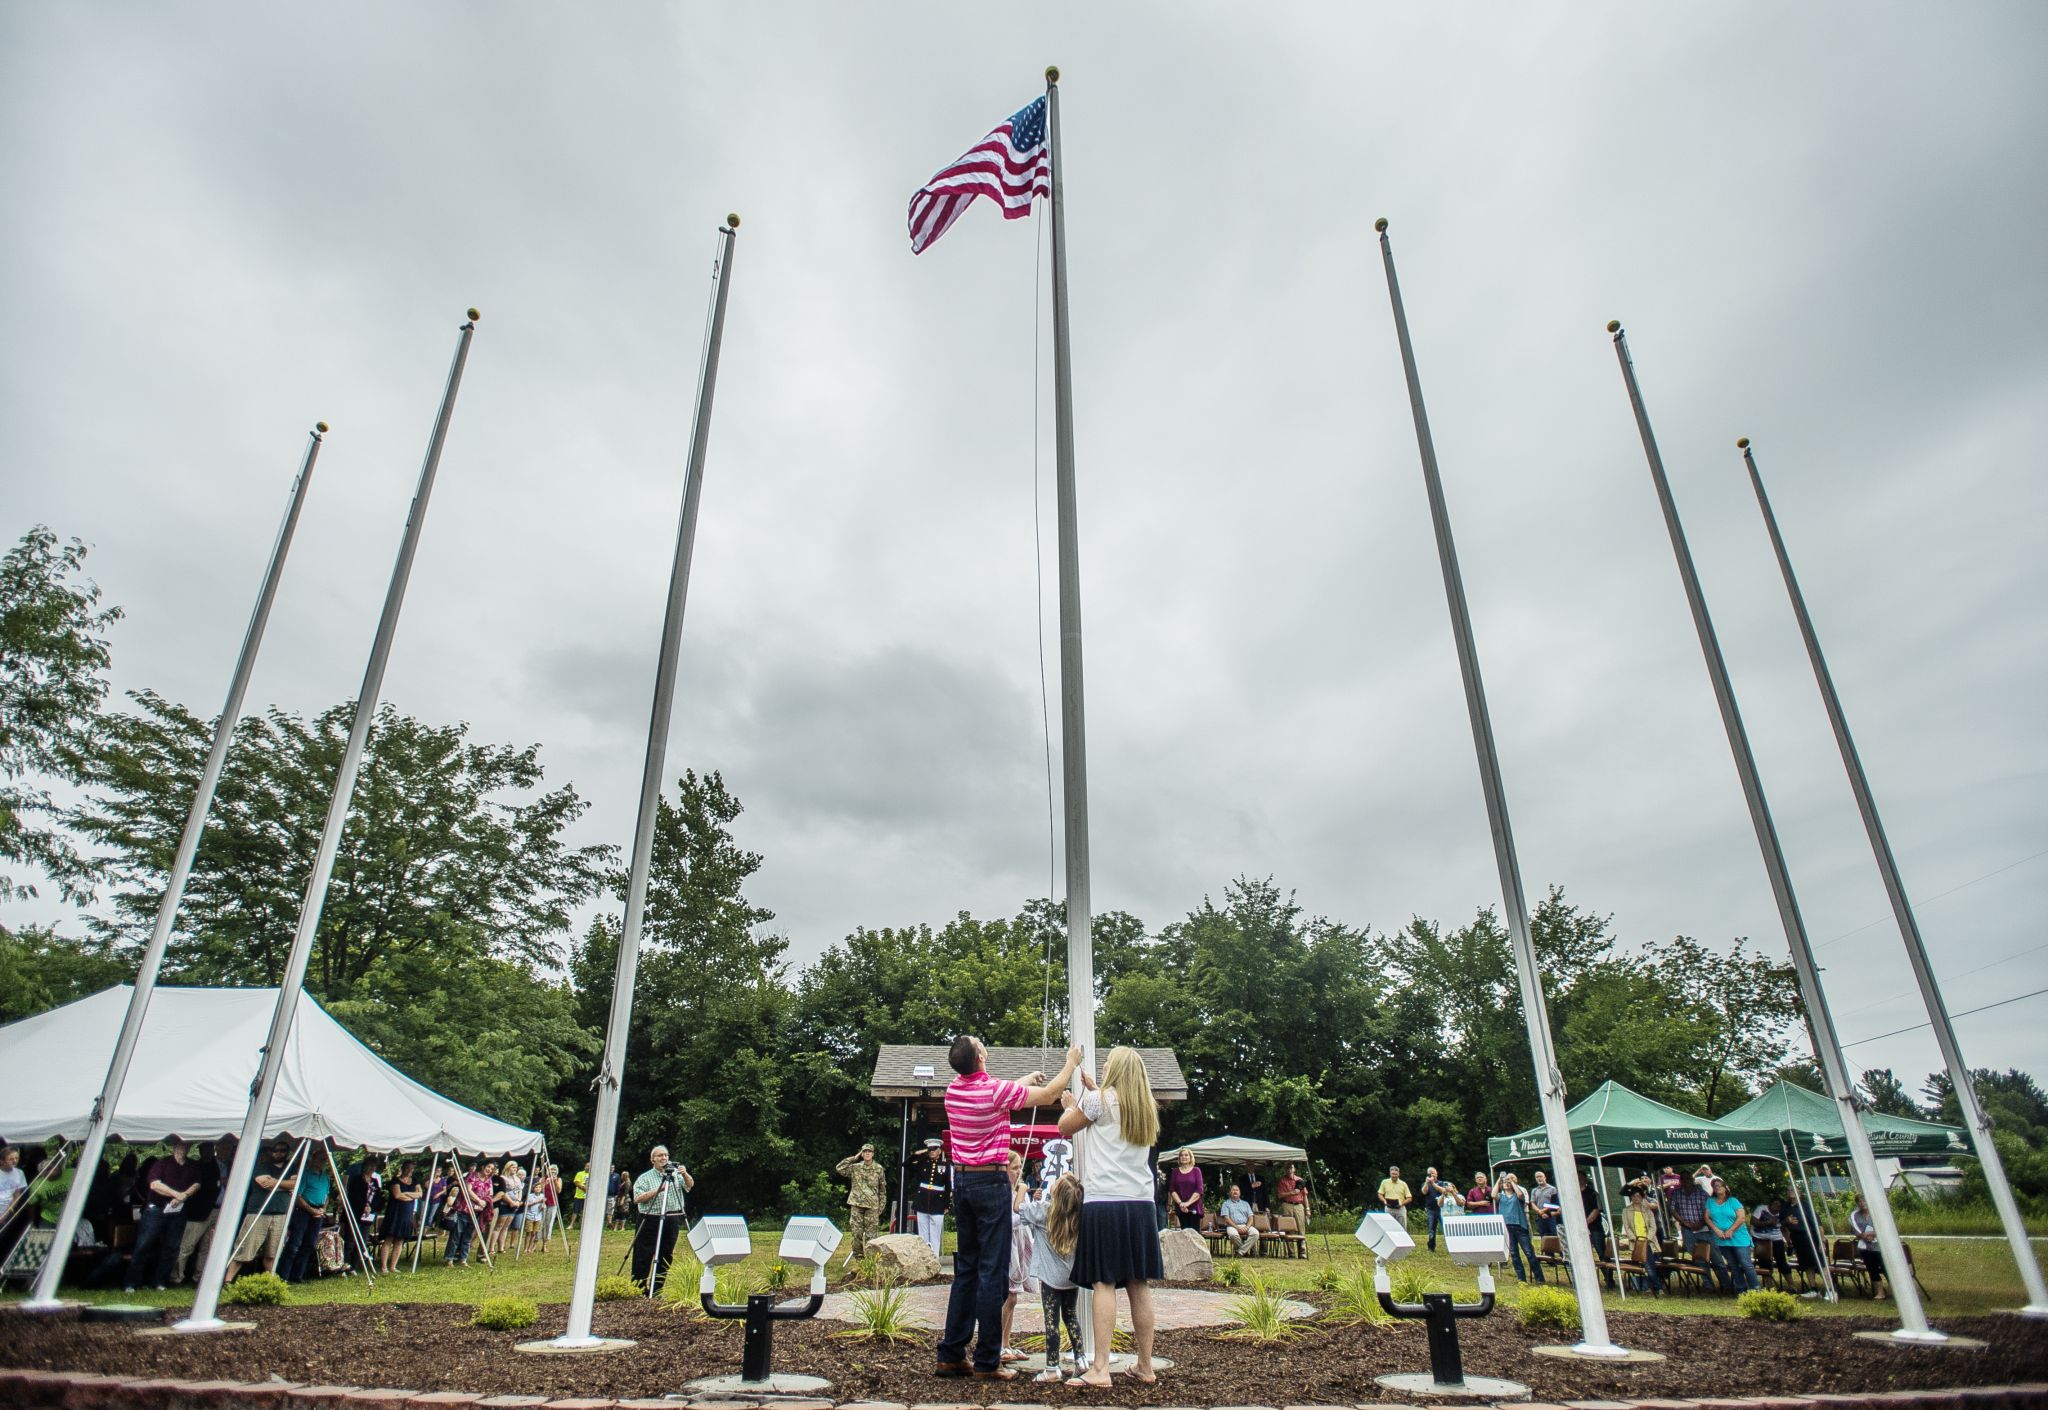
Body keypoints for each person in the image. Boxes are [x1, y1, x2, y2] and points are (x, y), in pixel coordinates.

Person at [934, 1036, 1081, 1382]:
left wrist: (1023, 1081)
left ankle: (951, 1354)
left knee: (967, 1270)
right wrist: (1070, 1063)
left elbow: (996, 1095)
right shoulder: (994, 1092)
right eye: (980, 1043)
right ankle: (987, 1360)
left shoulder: (955, 1090)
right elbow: (1047, 1097)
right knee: (993, 1272)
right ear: (982, 1056)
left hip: (964, 1183)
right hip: (991, 1184)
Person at [1060, 1045, 1163, 1390]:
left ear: (1116, 1070)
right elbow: (1110, 1118)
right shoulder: (1144, 1108)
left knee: (1103, 1282)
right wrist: (1092, 1091)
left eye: (1106, 1064)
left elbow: (1065, 1128)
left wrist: (1072, 1105)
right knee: (1138, 1283)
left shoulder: (1098, 1100)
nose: (1102, 1068)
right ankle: (1145, 1365)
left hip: (1104, 1201)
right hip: (1140, 1203)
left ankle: (1100, 1368)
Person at [1018, 1171, 1085, 1384]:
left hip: (1049, 1278)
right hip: (1071, 1277)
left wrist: (1022, 1190)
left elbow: (1017, 1207)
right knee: (1071, 1316)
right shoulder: (1078, 1212)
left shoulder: (1044, 1211)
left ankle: (1052, 1367)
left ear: (1056, 1193)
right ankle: (1081, 1359)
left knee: (1052, 1321)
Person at [125, 1137, 201, 1292]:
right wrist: (176, 1194)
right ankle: (131, 1283)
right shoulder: (161, 1164)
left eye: (186, 1145)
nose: (183, 1148)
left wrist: (184, 1196)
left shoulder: (192, 1165)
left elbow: (197, 1184)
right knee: (144, 1244)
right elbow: (154, 1184)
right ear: (174, 1146)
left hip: (177, 1212)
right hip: (156, 1210)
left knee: (172, 1247)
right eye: (180, 1145)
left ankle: (160, 1281)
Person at [225, 1139, 298, 1281]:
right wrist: (285, 1186)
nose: (279, 1153)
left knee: (272, 1253)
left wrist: (276, 1184)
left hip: (280, 1214)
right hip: (258, 1213)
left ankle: (271, 1282)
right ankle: (227, 1281)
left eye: (283, 1150)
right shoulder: (261, 1166)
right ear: (270, 1152)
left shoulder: (291, 1167)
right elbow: (266, 1184)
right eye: (276, 1150)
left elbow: (295, 1184)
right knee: (244, 1249)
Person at [631, 1144, 694, 1294]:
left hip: (671, 1217)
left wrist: (685, 1174)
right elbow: (637, 1198)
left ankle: (657, 1288)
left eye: (666, 1155)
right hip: (650, 1217)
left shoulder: (675, 1174)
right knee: (643, 1253)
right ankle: (638, 1287)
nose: (664, 1158)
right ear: (653, 1159)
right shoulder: (644, 1178)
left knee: (666, 1253)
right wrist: (659, 1189)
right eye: (660, 1155)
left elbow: (689, 1185)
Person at [172, 1140, 225, 1285]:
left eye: (209, 1149)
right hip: (198, 1212)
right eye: (204, 1150)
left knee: (206, 1247)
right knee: (187, 1246)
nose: (207, 1152)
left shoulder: (220, 1166)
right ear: (200, 1151)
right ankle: (176, 1277)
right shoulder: (196, 1167)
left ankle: (199, 1277)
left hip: (217, 1209)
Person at [277, 1146, 332, 1282]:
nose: (323, 1162)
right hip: (303, 1211)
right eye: (320, 1159)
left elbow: (327, 1195)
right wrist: (310, 1209)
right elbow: (297, 1195)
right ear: (313, 1159)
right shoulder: (305, 1174)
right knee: (294, 1244)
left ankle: (298, 1275)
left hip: (318, 1211)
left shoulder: (325, 1177)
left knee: (309, 1244)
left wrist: (323, 1209)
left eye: (325, 1160)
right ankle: (283, 1275)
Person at [835, 1142, 889, 1258]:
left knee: (872, 1236)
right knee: (856, 1234)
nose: (867, 1153)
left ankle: (871, 1261)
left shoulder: (878, 1169)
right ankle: (859, 1260)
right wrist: (854, 1158)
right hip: (857, 1204)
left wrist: (881, 1207)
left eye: (869, 1151)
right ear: (862, 1154)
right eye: (865, 1151)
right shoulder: (856, 1167)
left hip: (872, 1206)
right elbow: (840, 1168)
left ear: (873, 1154)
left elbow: (882, 1189)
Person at [1705, 1175, 1758, 1292]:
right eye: (1715, 1186)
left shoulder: (1733, 1201)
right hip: (1722, 1238)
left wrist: (1731, 1230)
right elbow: (1707, 1218)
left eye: (1720, 1186)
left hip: (1739, 1237)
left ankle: (1756, 1289)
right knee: (1733, 1265)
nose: (1718, 1188)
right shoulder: (1710, 1202)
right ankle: (1740, 1289)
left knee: (1745, 1264)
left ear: (1725, 1188)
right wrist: (1716, 1230)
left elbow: (1741, 1217)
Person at [1493, 1172, 1540, 1283]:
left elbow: (1520, 1195)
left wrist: (1512, 1182)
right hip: (1507, 1227)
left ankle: (1539, 1277)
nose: (1507, 1184)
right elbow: (1493, 1195)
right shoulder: (1501, 1196)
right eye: (1505, 1183)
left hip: (1519, 1226)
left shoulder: (1518, 1195)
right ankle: (1521, 1278)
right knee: (1514, 1254)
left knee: (1528, 1252)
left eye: (1508, 1182)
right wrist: (1499, 1180)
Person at [1621, 1181, 1665, 1293]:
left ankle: (1657, 1287)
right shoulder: (1626, 1211)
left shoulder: (1647, 1211)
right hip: (1636, 1241)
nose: (1636, 1198)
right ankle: (1651, 1286)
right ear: (1631, 1197)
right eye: (1634, 1196)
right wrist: (1634, 1238)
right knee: (1645, 1265)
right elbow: (1627, 1227)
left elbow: (1653, 1227)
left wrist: (1647, 1239)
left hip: (1648, 1241)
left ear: (1642, 1197)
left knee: (1649, 1265)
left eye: (1638, 1196)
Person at [1666, 1164, 1712, 1266]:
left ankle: (1725, 1281)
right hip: (1687, 1229)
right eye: (1683, 1179)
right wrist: (1684, 1222)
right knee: (1697, 1257)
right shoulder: (1676, 1193)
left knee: (1715, 1257)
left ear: (1692, 1179)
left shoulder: (1702, 1193)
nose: (1686, 1180)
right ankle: (1707, 1281)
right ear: (1681, 1181)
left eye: (1688, 1178)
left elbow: (1710, 1209)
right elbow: (1672, 1209)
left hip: (1704, 1228)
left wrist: (1701, 1222)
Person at [380, 1161, 422, 1272]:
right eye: (408, 1168)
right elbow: (397, 1195)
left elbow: (420, 1194)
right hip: (395, 1213)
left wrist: (407, 1194)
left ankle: (393, 1266)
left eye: (412, 1168)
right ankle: (384, 1266)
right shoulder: (395, 1180)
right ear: (403, 1168)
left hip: (407, 1214)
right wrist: (412, 1196)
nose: (410, 1171)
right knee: (389, 1238)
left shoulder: (415, 1181)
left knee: (400, 1240)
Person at [1849, 1191, 1890, 1299]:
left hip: (1880, 1247)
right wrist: (1863, 1236)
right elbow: (1854, 1230)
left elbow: (1885, 1228)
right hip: (1865, 1247)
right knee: (1872, 1270)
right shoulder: (1855, 1216)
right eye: (1859, 1201)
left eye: (1864, 1200)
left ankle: (1898, 1290)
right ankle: (1880, 1293)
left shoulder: (1877, 1213)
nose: (1862, 1203)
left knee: (1886, 1268)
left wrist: (1871, 1233)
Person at [914, 1138, 950, 1257]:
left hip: (938, 1202)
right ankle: (924, 1259)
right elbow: (906, 1164)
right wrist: (919, 1153)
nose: (932, 1152)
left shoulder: (945, 1165)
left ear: (939, 1151)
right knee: (923, 1233)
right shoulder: (923, 1163)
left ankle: (934, 1258)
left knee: (935, 1234)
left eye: (934, 1149)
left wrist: (947, 1205)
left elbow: (948, 1186)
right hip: (923, 1201)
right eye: (930, 1149)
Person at [1750, 1193, 1790, 1288]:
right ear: (1770, 1204)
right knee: (1764, 1262)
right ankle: (1769, 1286)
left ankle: (1791, 1285)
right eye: (1775, 1204)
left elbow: (1783, 1226)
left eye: (1779, 1206)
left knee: (1782, 1262)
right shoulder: (1761, 1209)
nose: (1777, 1207)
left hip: (1777, 1238)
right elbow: (1753, 1221)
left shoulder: (1782, 1213)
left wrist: (1789, 1241)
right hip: (1760, 1239)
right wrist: (1768, 1222)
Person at [1421, 1167, 1461, 1251]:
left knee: (1446, 1228)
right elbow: (1424, 1192)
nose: (1432, 1174)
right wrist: (1427, 1182)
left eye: (1433, 1173)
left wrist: (1433, 1183)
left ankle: (1451, 1246)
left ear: (1436, 1174)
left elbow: (1443, 1191)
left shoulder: (1442, 1183)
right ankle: (1431, 1248)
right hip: (1431, 1209)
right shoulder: (1425, 1183)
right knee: (1431, 1229)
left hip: (1443, 1209)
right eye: (1430, 1173)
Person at [1165, 1148, 1205, 1230]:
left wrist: (1187, 1203)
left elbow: (1199, 1190)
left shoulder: (1196, 1170)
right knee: (1184, 1234)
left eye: (1186, 1155)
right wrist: (1181, 1204)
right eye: (1181, 1155)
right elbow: (1172, 1189)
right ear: (1179, 1158)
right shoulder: (1175, 1172)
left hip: (1194, 1207)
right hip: (1181, 1208)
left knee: (1194, 1235)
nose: (1184, 1157)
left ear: (1190, 1157)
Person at [1216, 1183, 1258, 1256]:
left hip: (1245, 1225)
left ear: (1240, 1193)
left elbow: (1251, 1218)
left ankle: (1240, 1252)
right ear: (1230, 1193)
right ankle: (1244, 1252)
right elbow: (1226, 1218)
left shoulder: (1246, 1204)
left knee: (1255, 1233)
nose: (1235, 1191)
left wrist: (1247, 1227)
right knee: (1232, 1235)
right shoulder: (1226, 1204)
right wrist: (1236, 1227)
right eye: (1233, 1190)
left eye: (1237, 1190)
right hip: (1232, 1226)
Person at [1274, 1162, 1310, 1236]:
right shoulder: (1282, 1180)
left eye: (1291, 1168)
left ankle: (1302, 1247)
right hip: (1287, 1205)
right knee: (1288, 1227)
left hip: (1299, 1205)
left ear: (1294, 1169)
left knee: (1301, 1226)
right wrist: (1291, 1193)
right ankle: (1290, 1247)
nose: (1289, 1170)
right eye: (1287, 1168)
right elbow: (1279, 1195)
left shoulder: (1300, 1180)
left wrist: (1307, 1209)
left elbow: (1305, 1195)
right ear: (1285, 1170)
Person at [1528, 1170, 1561, 1240]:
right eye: (1537, 1177)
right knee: (1543, 1236)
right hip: (1540, 1216)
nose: (1539, 1178)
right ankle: (1548, 1251)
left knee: (1554, 1235)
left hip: (1551, 1215)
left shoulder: (1552, 1189)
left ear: (1544, 1177)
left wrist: (1543, 1210)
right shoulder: (1534, 1190)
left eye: (1540, 1176)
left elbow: (1555, 1203)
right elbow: (1532, 1203)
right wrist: (1539, 1211)